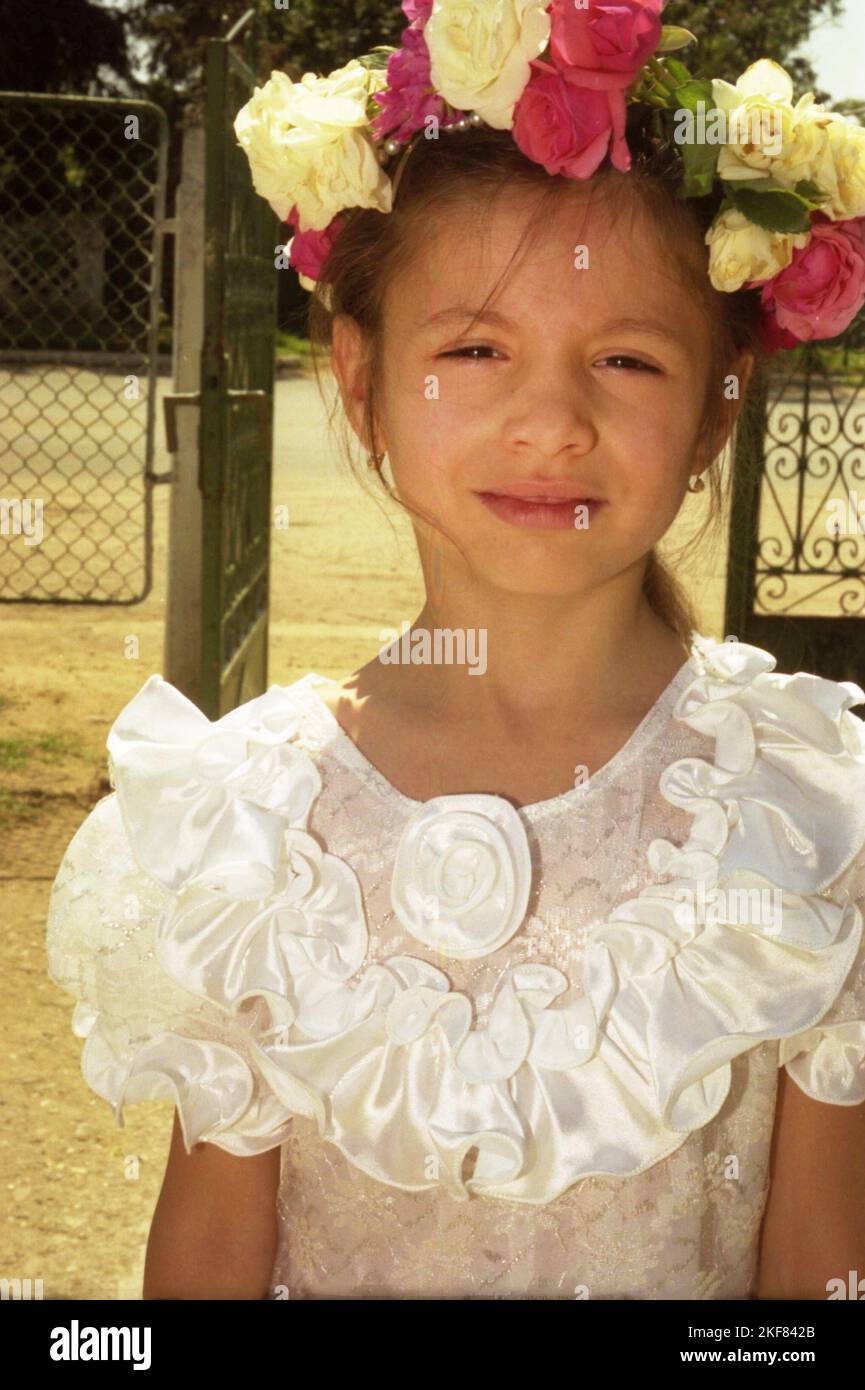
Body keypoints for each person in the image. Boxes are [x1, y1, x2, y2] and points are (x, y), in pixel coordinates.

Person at [46, 1, 865, 1300]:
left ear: (719, 406)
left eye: (629, 359)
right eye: (475, 348)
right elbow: (205, 1260)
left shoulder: (814, 814)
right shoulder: (247, 826)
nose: (549, 419)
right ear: (362, 380)